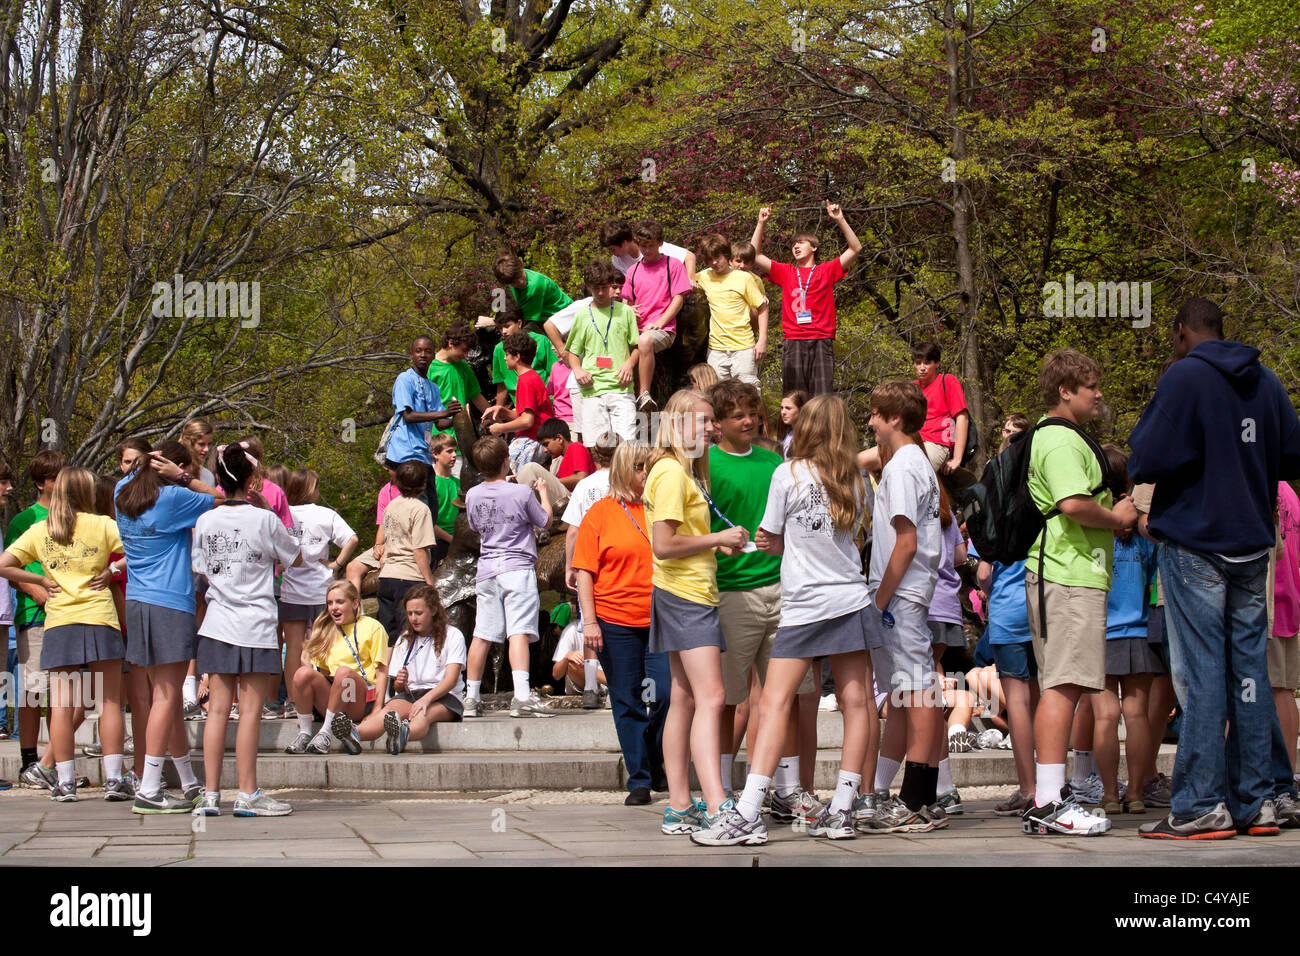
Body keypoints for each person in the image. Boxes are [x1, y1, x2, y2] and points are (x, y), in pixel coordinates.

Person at [1130, 298, 1300, 838]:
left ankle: (1201, 803)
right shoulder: (1266, 381)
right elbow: (1292, 457)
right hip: (1252, 544)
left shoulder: (1183, 379)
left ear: (1182, 333)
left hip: (1197, 543)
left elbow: (1146, 457)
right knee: (1249, 674)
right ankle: (1257, 801)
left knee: (1200, 675)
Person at [693, 394, 877, 845]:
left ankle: (749, 809)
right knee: (858, 705)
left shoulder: (787, 472)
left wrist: (783, 544)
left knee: (773, 702)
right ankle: (844, 808)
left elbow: (768, 537)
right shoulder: (855, 477)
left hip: (804, 603)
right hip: (850, 598)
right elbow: (855, 535)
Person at [1020, 349, 1136, 838]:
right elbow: (1072, 503)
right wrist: (1119, 519)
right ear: (1065, 390)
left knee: (1061, 684)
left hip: (1066, 573)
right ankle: (1048, 801)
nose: (1099, 393)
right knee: (1063, 686)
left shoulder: (1055, 437)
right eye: (1091, 385)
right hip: (1066, 574)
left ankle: (1050, 796)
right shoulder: (1062, 441)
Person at [705, 380, 819, 821]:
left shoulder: (777, 462)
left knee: (785, 695)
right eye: (737, 415)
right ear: (717, 424)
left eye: (753, 412)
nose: (748, 421)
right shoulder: (706, 466)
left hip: (784, 589)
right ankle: (721, 789)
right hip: (733, 593)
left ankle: (787, 790)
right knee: (728, 700)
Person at [643, 390, 748, 833]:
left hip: (682, 595)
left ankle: (681, 804)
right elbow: (664, 546)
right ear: (678, 423)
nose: (712, 429)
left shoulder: (678, 470)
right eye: (703, 422)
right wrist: (717, 540)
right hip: (685, 596)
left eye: (711, 422)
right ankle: (718, 804)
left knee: (684, 700)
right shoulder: (670, 473)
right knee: (712, 698)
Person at [0, 467, 127, 803]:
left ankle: (65, 782)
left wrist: (41, 580)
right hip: (100, 617)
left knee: (60, 705)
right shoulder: (102, 524)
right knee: (110, 702)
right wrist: (112, 569)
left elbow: (3, 564)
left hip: (60, 620)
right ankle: (115, 779)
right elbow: (140, 547)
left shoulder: (41, 529)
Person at [192, 442, 302, 816]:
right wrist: (269, 510)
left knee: (217, 712)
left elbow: (201, 568)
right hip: (255, 624)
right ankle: (247, 793)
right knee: (250, 713)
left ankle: (209, 794)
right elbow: (295, 557)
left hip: (218, 622)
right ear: (252, 480)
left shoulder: (206, 520)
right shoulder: (265, 519)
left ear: (219, 479)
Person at [857, 382, 948, 834]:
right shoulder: (909, 463)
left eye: (875, 414)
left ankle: (918, 799)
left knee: (917, 691)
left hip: (902, 594)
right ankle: (903, 794)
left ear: (894, 418)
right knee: (903, 693)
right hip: (905, 592)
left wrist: (880, 599)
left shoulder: (905, 468)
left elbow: (906, 543)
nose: (870, 422)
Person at [113, 443, 220, 813]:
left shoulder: (121, 492)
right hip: (170, 604)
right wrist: (185, 478)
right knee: (165, 696)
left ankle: (187, 781)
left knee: (166, 695)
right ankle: (149, 788)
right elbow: (223, 499)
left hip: (137, 603)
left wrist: (152, 465)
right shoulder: (174, 497)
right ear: (173, 468)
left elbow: (133, 474)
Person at [971, 413, 1038, 816]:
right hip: (1044, 607)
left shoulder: (994, 502)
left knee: (1019, 703)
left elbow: (982, 573)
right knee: (1049, 698)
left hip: (1009, 612)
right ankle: (1053, 784)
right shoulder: (1045, 500)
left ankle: (1028, 788)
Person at [462, 436, 555, 718]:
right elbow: (545, 521)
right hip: (517, 568)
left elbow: (476, 525)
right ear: (506, 462)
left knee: (482, 634)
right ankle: (522, 695)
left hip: (487, 570)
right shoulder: (522, 494)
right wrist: (543, 493)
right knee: (518, 632)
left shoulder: (472, 494)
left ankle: (471, 698)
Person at [1093, 444, 1159, 815]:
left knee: (1105, 717)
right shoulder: (1140, 535)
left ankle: (1108, 795)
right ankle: (1135, 792)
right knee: (1136, 715)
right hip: (1138, 631)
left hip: (1099, 633)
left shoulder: (1092, 529)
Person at [750, 201, 862, 396]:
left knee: (822, 396)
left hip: (820, 338)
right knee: (794, 397)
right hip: (793, 340)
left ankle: (822, 428)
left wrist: (840, 219)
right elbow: (755, 255)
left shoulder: (826, 270)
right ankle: (795, 428)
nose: (796, 246)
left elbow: (855, 249)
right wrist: (761, 223)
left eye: (801, 243)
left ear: (814, 248)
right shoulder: (786, 272)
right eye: (793, 244)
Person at [281, 469, 359, 738]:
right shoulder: (325, 514)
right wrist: (337, 564)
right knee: (319, 644)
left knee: (293, 646)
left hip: (291, 587)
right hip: (320, 588)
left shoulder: (283, 514)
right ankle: (315, 698)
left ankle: (295, 700)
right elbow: (352, 538)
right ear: (309, 489)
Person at [355, 584, 467, 754]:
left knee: (423, 714)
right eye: (410, 614)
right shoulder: (404, 639)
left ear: (434, 610)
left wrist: (426, 699)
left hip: (445, 696)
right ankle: (354, 734)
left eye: (419, 613)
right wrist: (400, 683)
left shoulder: (452, 635)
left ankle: (403, 733)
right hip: (412, 693)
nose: (414, 618)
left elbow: (451, 680)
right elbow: (398, 688)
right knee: (389, 711)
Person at [10, 450, 64, 788]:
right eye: (56, 477)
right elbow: (9, 566)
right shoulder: (23, 519)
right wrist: (33, 590)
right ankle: (29, 764)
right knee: (32, 692)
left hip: (67, 614)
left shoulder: (74, 515)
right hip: (34, 615)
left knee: (64, 694)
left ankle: (54, 764)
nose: (62, 483)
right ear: (41, 482)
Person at [292, 580, 389, 754]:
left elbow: (381, 671)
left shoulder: (373, 627)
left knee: (344, 672)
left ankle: (326, 733)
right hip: (336, 695)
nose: (333, 608)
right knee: (302, 673)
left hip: (362, 696)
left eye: (340, 602)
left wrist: (376, 710)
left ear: (355, 603)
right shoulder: (325, 629)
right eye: (330, 603)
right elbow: (322, 674)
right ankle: (305, 733)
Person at [616, 220, 694, 410]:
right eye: (643, 245)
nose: (647, 250)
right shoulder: (633, 271)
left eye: (650, 245)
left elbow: (678, 299)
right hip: (637, 328)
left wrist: (659, 322)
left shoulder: (672, 265)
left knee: (645, 341)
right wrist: (628, 310)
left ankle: (644, 394)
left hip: (663, 329)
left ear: (660, 243)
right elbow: (627, 301)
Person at [565, 262, 641, 444]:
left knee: (627, 445)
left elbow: (637, 347)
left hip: (621, 387)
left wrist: (630, 364)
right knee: (597, 447)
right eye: (595, 288)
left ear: (610, 285)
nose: (600, 293)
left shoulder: (625, 312)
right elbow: (572, 353)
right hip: (592, 389)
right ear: (589, 287)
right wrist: (578, 370)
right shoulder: (582, 315)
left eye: (604, 288)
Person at [388, 336, 458, 521]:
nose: (423, 355)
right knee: (420, 509)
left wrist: (457, 416)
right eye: (418, 351)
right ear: (412, 354)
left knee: (431, 510)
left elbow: (439, 423)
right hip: (407, 453)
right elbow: (408, 416)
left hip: (424, 454)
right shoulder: (405, 379)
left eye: (427, 351)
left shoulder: (433, 387)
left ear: (433, 355)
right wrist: (443, 413)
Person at [375, 462, 439, 644]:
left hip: (387, 576)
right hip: (409, 577)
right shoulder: (420, 509)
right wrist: (429, 582)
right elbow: (418, 549)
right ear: (423, 484)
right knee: (409, 635)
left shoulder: (391, 506)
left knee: (390, 636)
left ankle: (387, 672)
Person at [694, 235, 768, 387]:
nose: (714, 262)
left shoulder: (744, 278)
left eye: (717, 257)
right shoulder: (703, 276)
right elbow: (682, 278)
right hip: (716, 350)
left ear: (726, 254)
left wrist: (762, 341)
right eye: (709, 259)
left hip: (744, 348)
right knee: (717, 395)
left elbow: (762, 308)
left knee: (748, 394)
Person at [912, 342, 972, 475]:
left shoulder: (947, 381)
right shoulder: (912, 388)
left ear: (937, 363)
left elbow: (962, 418)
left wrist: (957, 458)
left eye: (927, 363)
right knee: (861, 461)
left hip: (937, 444)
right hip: (911, 442)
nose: (922, 367)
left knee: (912, 473)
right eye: (918, 363)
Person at [426, 322, 490, 439]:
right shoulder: (429, 367)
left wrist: (496, 419)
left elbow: (476, 397)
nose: (466, 355)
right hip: (438, 437)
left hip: (462, 434)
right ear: (451, 343)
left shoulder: (464, 367)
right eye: (463, 350)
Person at [428, 435, 461, 567]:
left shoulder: (459, 483)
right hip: (437, 542)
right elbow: (428, 522)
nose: (454, 455)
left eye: (455, 451)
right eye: (449, 451)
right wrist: (451, 540)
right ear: (435, 454)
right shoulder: (430, 484)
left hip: (458, 538)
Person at [538, 418, 594, 492]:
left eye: (546, 444)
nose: (544, 450)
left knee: (531, 468)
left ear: (559, 439)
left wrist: (552, 483)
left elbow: (581, 478)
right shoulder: (563, 459)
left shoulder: (576, 447)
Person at [778, 390, 807, 458]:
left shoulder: (807, 436)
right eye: (782, 408)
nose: (783, 412)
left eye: (788, 408)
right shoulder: (788, 433)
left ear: (801, 409)